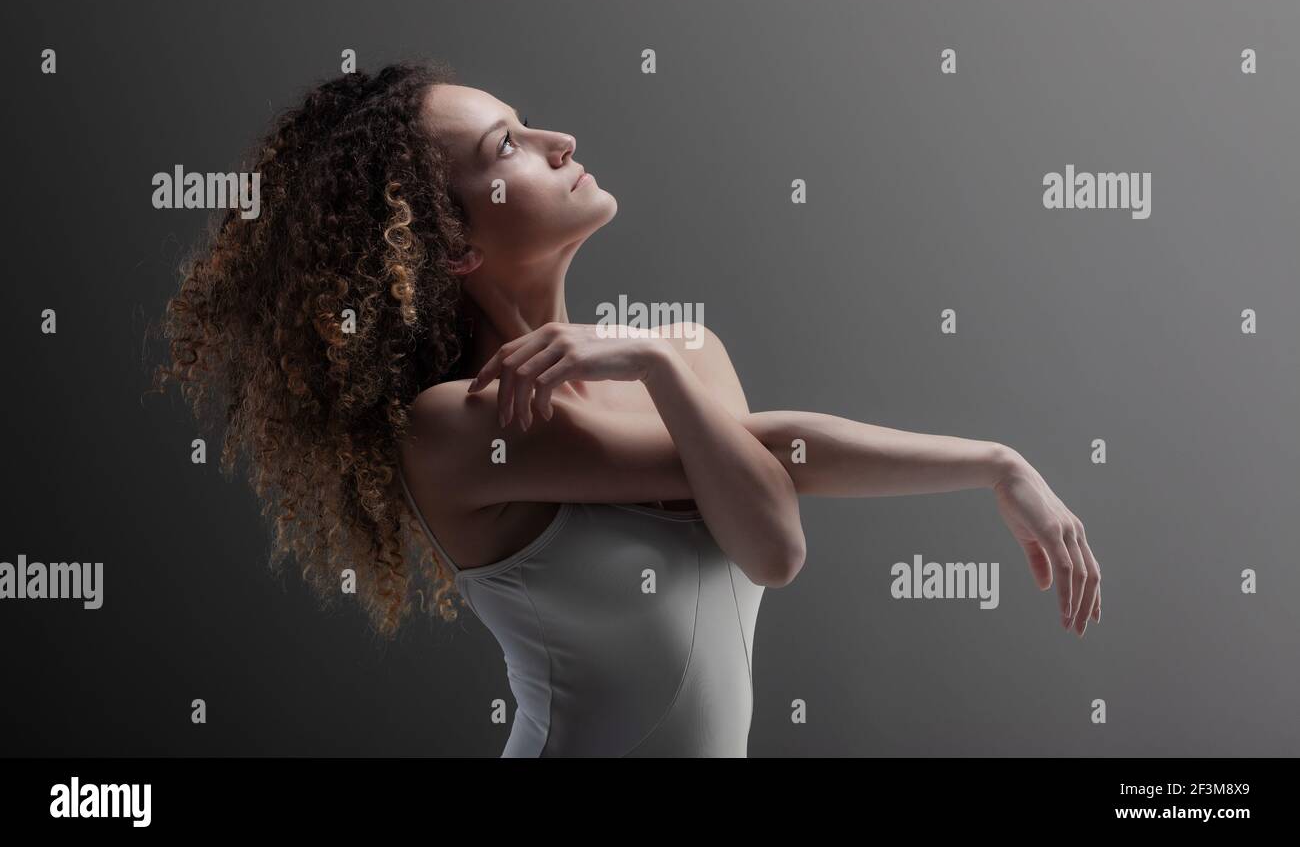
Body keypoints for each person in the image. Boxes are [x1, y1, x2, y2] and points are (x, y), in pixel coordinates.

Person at [152, 58, 1101, 757]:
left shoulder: (688, 357)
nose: (557, 142)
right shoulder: (457, 425)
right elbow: (776, 539)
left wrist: (1000, 464)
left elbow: (762, 503)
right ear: (451, 248)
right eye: (507, 147)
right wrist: (650, 358)